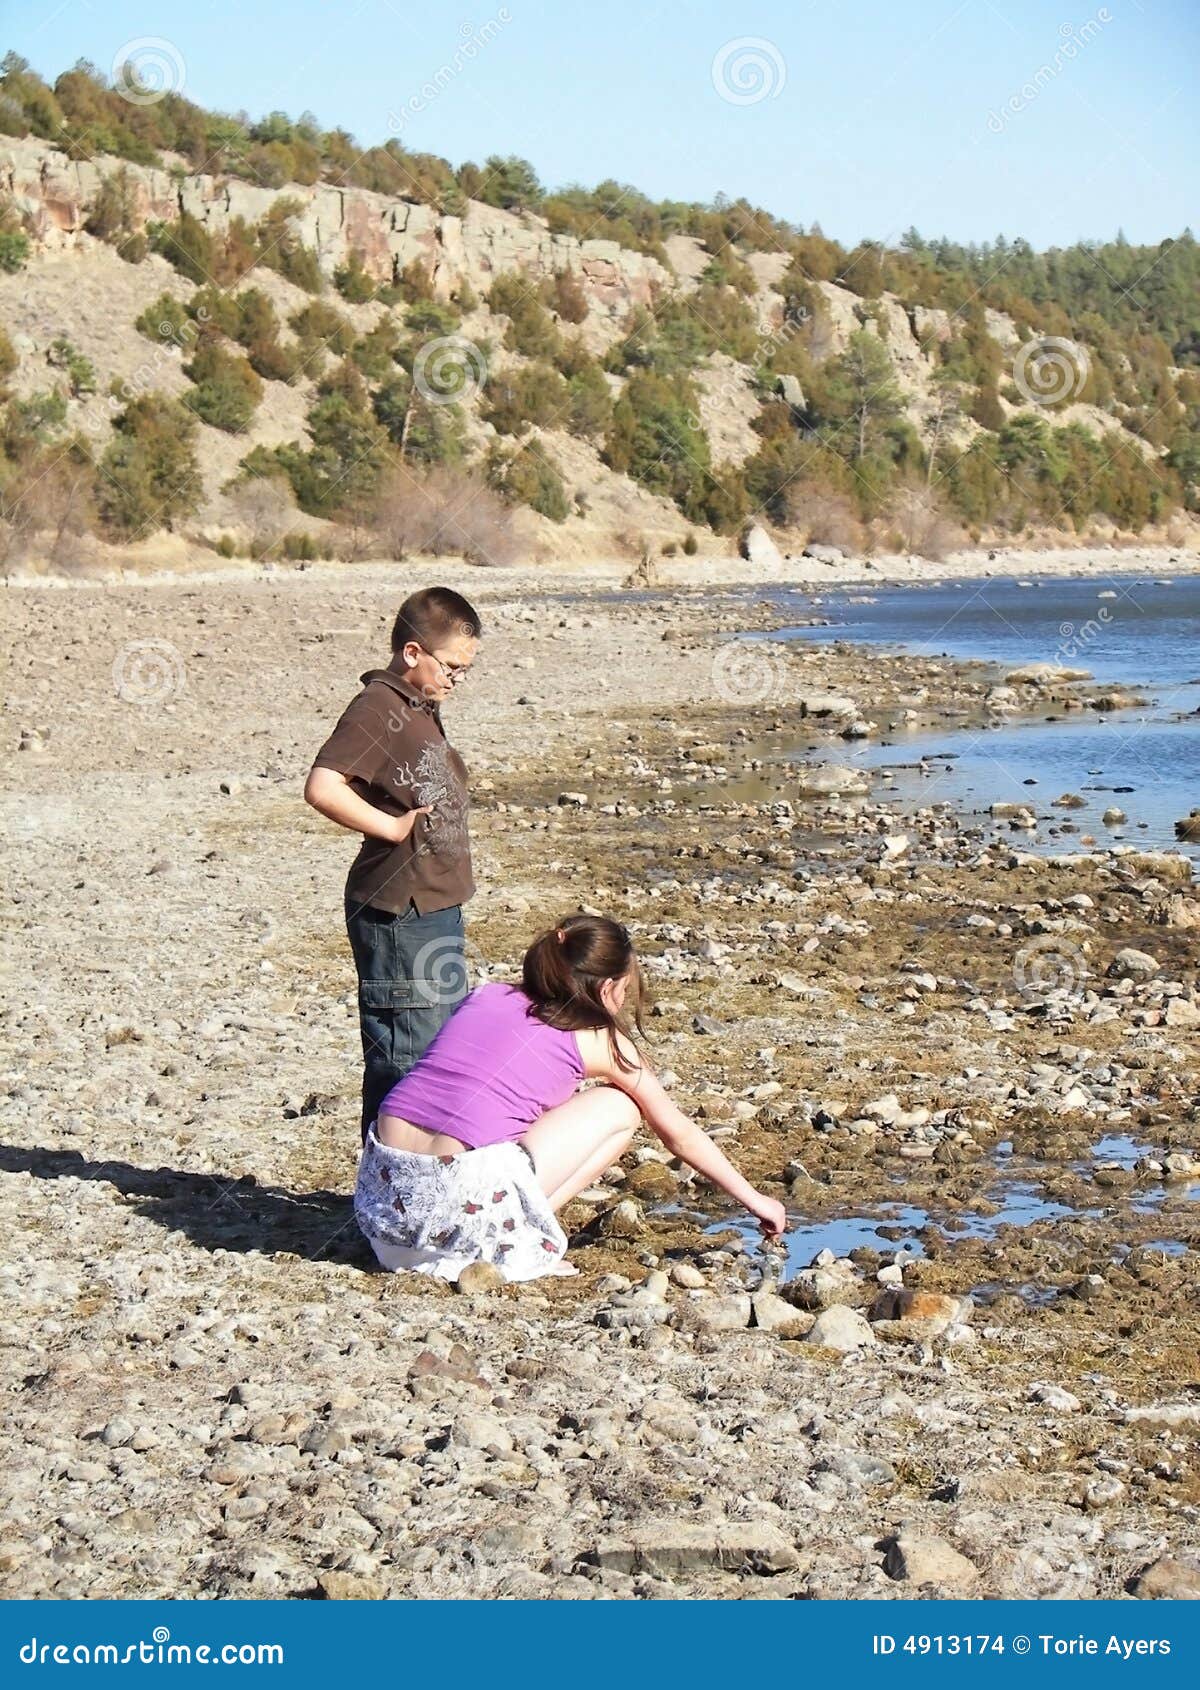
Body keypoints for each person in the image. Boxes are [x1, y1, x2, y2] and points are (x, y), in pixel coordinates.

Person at [354, 913, 788, 1281]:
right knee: (621, 1106)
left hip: (384, 1221)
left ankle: (504, 1230)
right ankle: (520, 1241)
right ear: (607, 989)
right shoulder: (599, 1041)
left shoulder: (487, 995)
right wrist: (756, 1200)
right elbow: (679, 1135)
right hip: (456, 1229)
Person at [306, 587, 481, 1140]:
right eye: (450, 666)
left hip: (433, 906)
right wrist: (390, 827)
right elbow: (322, 785)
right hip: (397, 913)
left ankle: (416, 1193)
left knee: (437, 1050)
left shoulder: (417, 706)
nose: (457, 679)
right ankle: (387, 1201)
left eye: (465, 670)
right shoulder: (377, 708)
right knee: (406, 1057)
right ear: (412, 652)